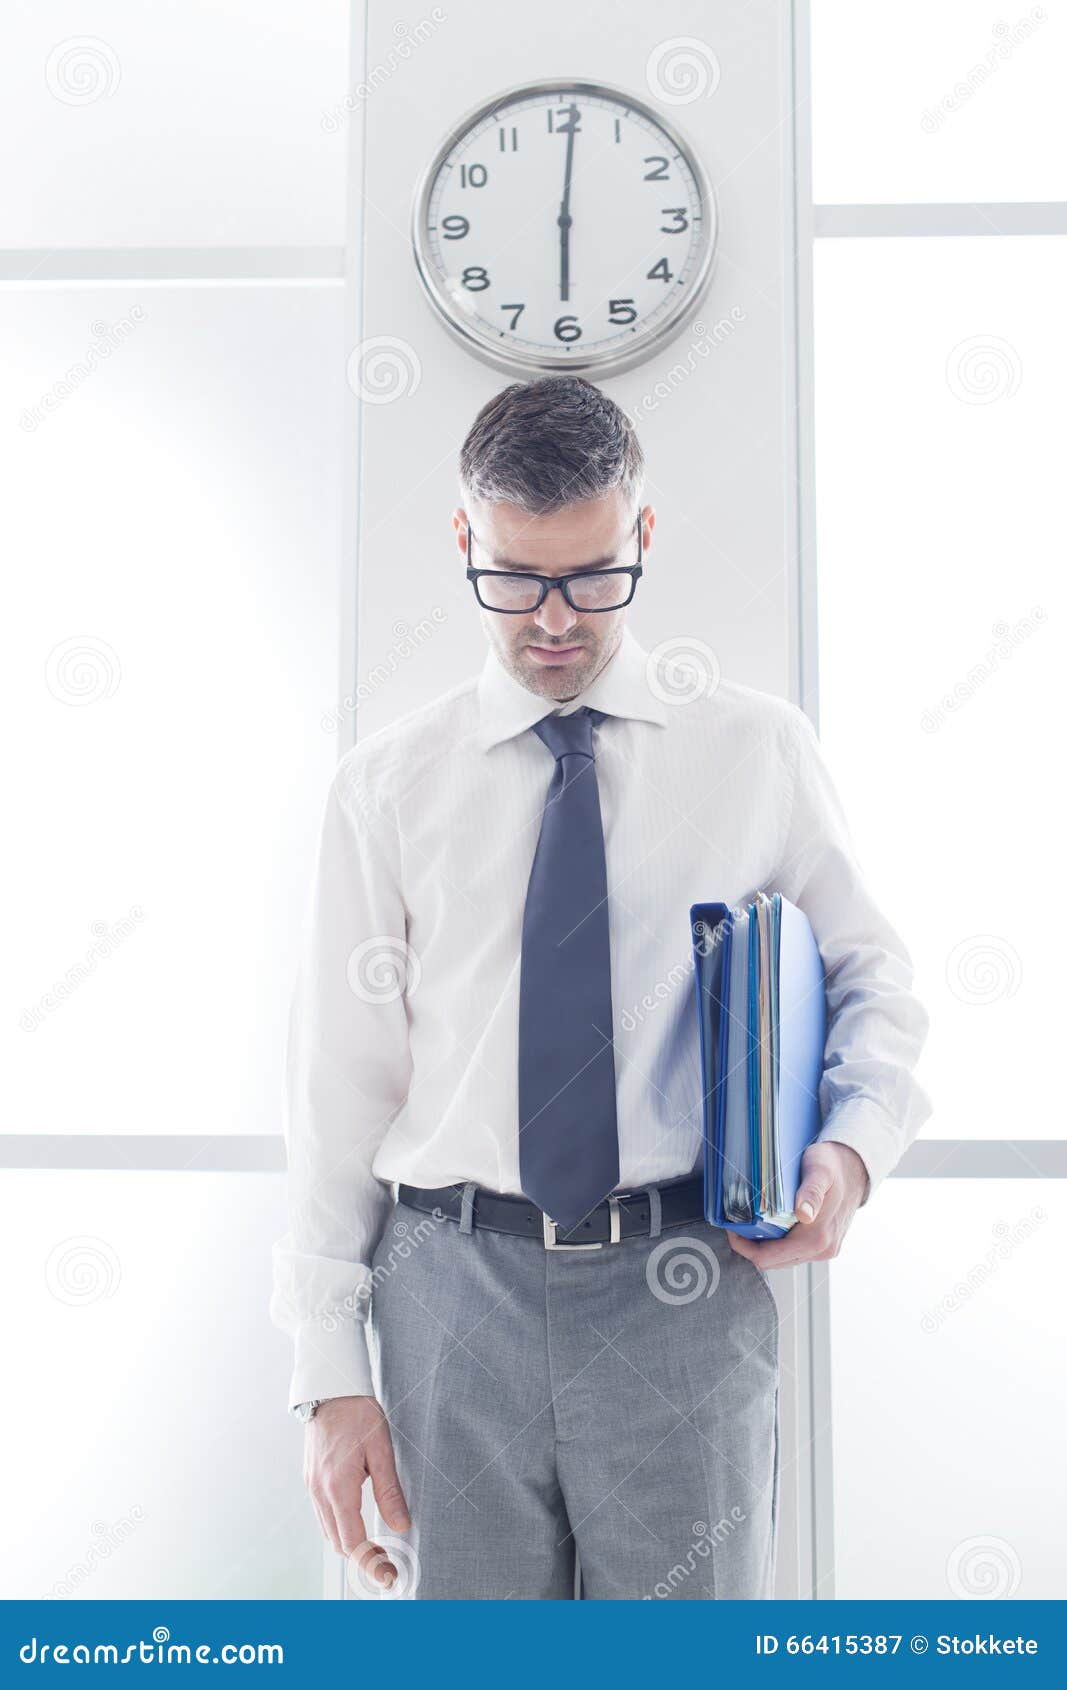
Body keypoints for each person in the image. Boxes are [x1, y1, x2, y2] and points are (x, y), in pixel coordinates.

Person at [271, 375, 929, 1600]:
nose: (556, 618)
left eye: (593, 574)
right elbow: (336, 1094)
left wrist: (849, 1151)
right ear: (464, 540)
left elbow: (872, 981)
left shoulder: (754, 750)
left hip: (680, 1287)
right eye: (516, 577)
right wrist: (330, 1372)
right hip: (445, 1296)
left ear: (642, 536)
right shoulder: (385, 787)